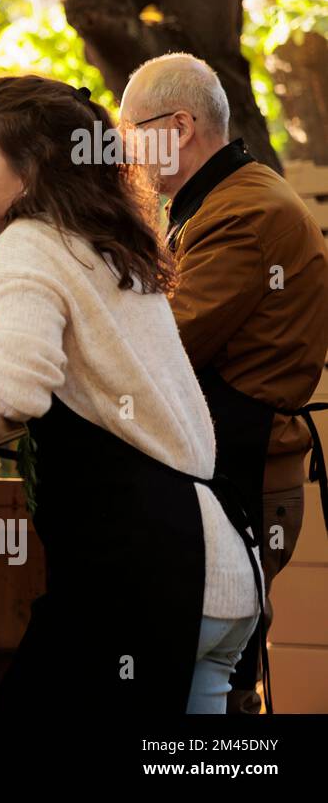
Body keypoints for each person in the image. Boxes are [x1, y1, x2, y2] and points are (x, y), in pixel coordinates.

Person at [0, 75, 263, 713]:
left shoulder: (27, 244)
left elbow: (17, 389)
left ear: (30, 171)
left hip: (142, 581)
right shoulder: (109, 248)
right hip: (218, 572)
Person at [119, 53, 328, 712]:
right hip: (229, 480)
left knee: (204, 691)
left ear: (178, 125)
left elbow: (164, 348)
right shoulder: (214, 200)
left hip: (245, 484)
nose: (124, 155)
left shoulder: (242, 214)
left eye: (130, 135)